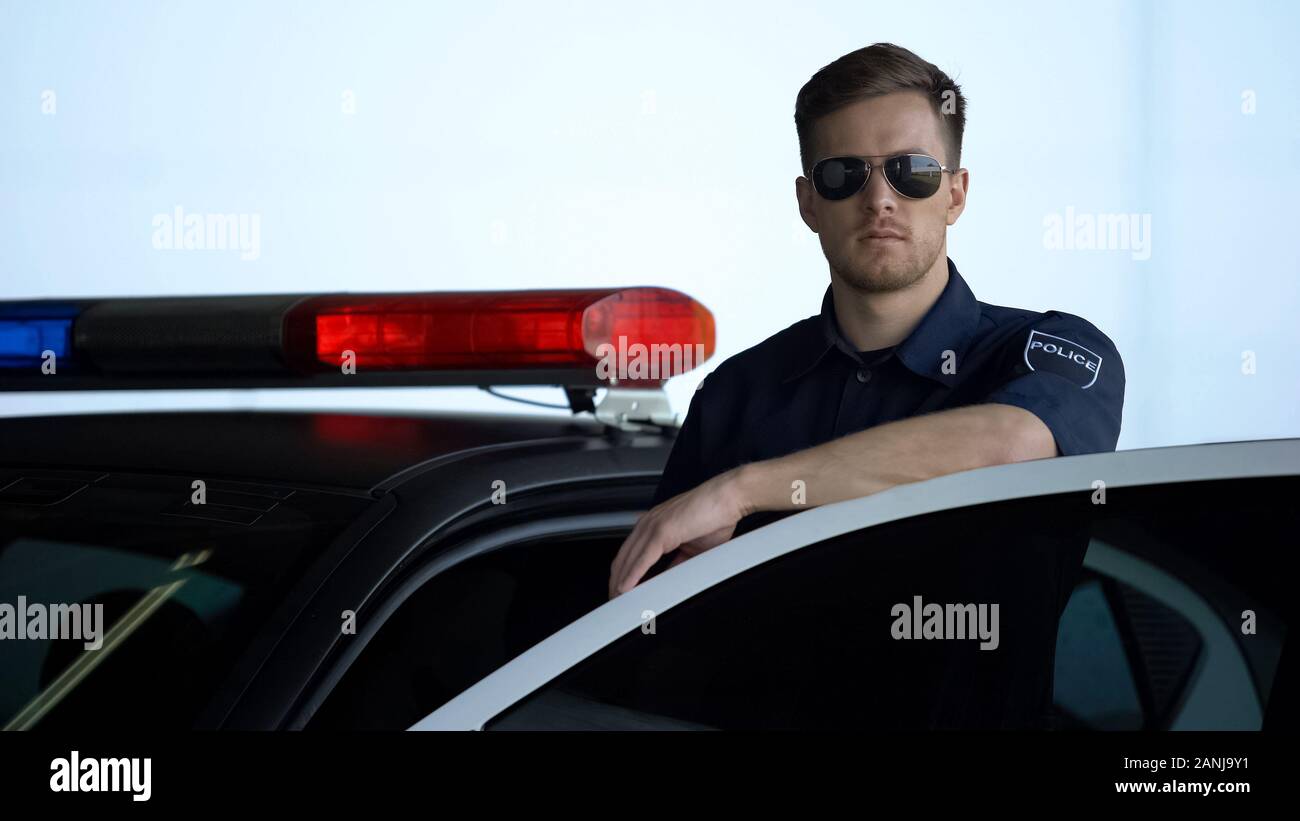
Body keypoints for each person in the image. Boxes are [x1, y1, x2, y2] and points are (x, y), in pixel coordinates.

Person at [609, 42, 1124, 599]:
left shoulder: (1049, 350)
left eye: (913, 171)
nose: (879, 198)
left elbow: (1013, 445)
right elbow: (659, 627)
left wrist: (745, 490)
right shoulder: (735, 394)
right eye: (843, 175)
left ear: (955, 194)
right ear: (808, 203)